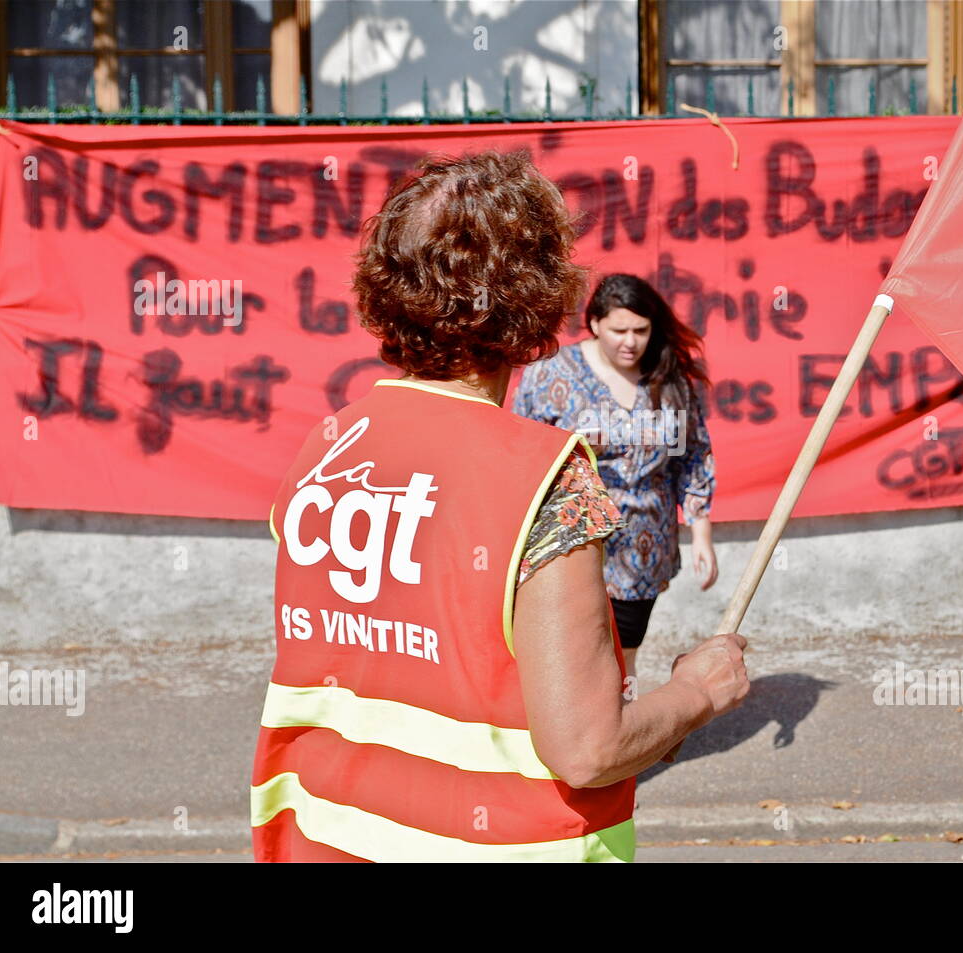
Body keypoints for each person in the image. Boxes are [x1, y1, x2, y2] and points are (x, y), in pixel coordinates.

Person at [248, 149, 749, 863]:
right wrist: (697, 691)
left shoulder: (326, 446)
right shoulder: (544, 478)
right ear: (534, 291)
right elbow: (588, 748)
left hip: (322, 838)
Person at [512, 274, 718, 680]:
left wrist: (701, 533)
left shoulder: (669, 381)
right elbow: (520, 451)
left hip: (644, 545)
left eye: (641, 330)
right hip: (571, 539)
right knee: (573, 648)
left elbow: (691, 457)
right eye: (619, 330)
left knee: (625, 652)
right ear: (595, 326)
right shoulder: (551, 374)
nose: (630, 341)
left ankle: (625, 728)